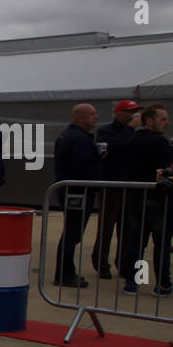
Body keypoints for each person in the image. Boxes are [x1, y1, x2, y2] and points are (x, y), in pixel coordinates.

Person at [119, 104, 173, 295]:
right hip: (159, 199)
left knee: (137, 242)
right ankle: (162, 284)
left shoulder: (131, 140)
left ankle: (134, 282)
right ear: (150, 121)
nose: (167, 123)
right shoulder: (161, 143)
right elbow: (169, 169)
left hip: (136, 198)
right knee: (160, 244)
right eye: (163, 119)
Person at [51, 103, 101, 288]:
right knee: (72, 233)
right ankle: (65, 273)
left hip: (72, 191)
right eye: (92, 114)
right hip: (78, 193)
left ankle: (65, 271)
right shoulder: (79, 139)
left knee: (71, 233)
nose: (95, 117)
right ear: (79, 118)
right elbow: (82, 167)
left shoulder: (70, 136)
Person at [91, 99, 142, 278]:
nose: (133, 116)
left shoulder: (137, 133)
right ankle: (101, 263)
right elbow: (117, 146)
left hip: (130, 186)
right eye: (129, 112)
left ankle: (124, 263)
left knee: (127, 228)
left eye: (135, 112)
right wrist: (130, 129)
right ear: (119, 114)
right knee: (106, 226)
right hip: (110, 185)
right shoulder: (105, 131)